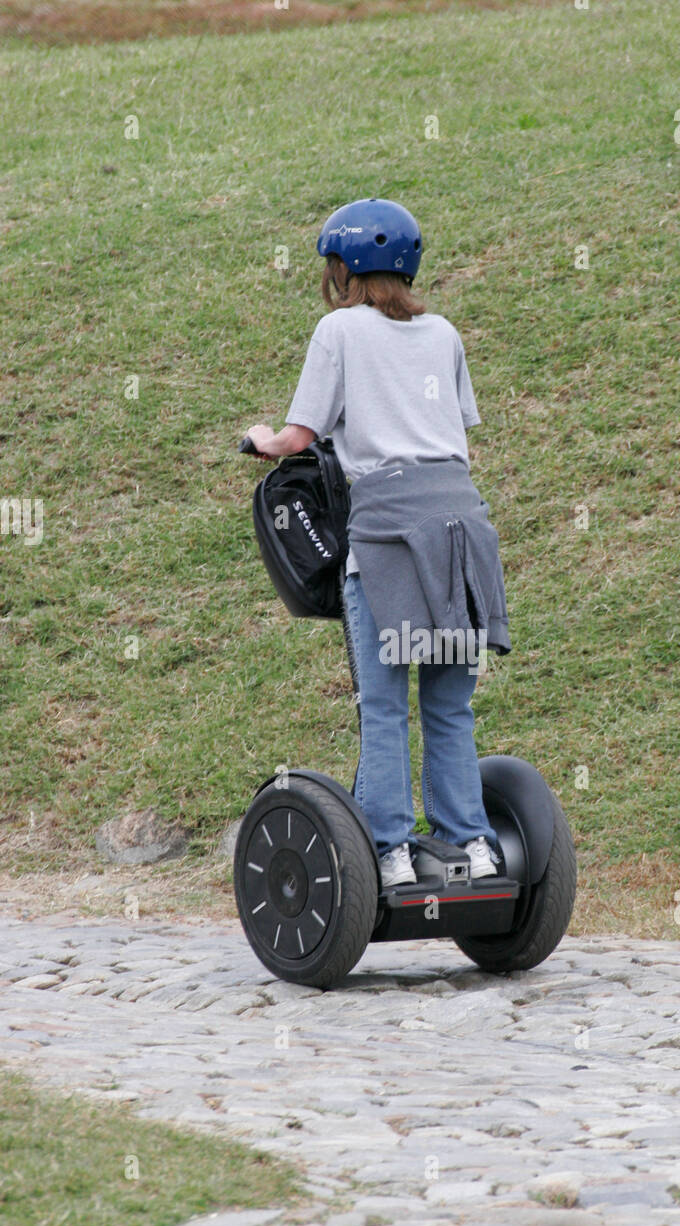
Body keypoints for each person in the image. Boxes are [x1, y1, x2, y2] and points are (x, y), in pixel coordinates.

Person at [244, 197, 510, 888]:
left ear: (344, 269)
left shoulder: (339, 332)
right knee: (449, 704)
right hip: (460, 533)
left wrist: (258, 441)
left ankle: (388, 855)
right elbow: (451, 431)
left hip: (390, 535)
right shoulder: (444, 334)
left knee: (386, 705)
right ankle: (474, 849)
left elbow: (298, 438)